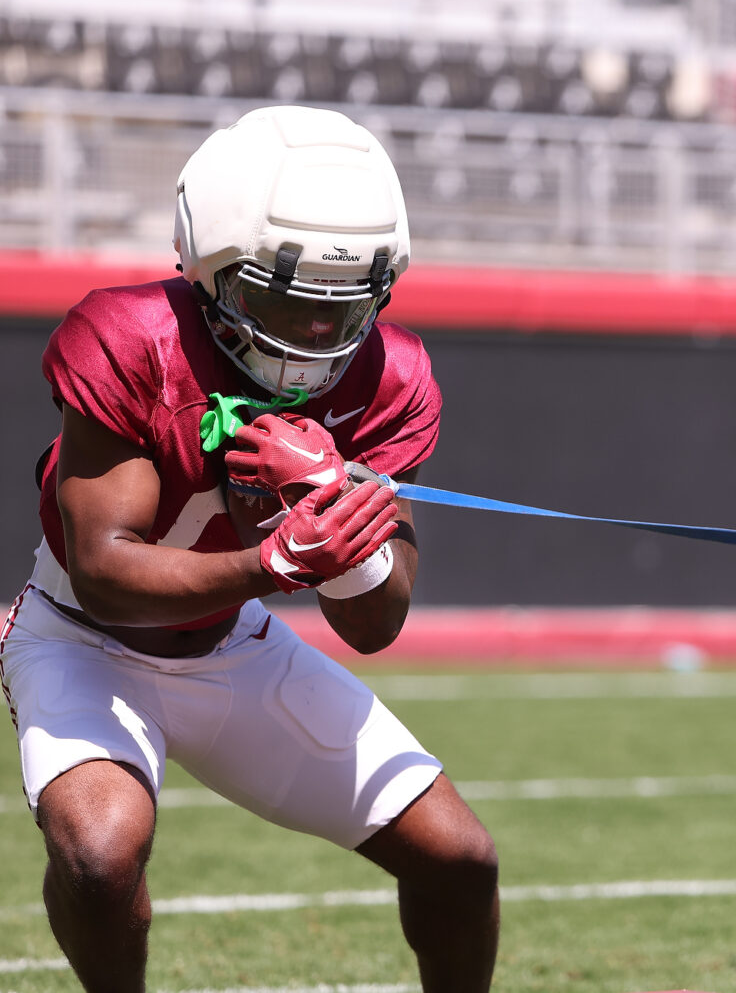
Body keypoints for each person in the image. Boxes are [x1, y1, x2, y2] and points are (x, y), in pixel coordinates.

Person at [0, 106, 499, 992]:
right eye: (287, 301)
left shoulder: (393, 377)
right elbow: (105, 572)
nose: (316, 336)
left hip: (233, 646)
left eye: (339, 307)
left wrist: (333, 507)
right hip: (82, 638)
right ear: (214, 272)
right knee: (100, 858)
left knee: (459, 858)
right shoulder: (130, 337)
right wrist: (274, 565)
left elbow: (375, 624)